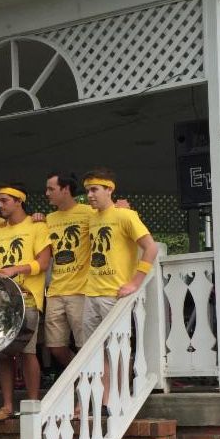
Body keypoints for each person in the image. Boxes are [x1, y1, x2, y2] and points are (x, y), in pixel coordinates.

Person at [82, 167, 158, 412]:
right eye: (87, 191)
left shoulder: (126, 216)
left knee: (117, 347)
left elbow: (150, 248)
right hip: (91, 292)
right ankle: (105, 399)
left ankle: (119, 396)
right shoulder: (92, 217)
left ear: (109, 189)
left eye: (94, 190)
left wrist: (135, 282)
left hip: (114, 293)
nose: (89, 195)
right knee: (95, 350)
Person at [0, 183, 51, 421]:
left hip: (28, 299)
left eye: (4, 200)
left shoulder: (37, 226)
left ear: (19, 201)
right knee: (3, 354)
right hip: (2, 301)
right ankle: (8, 406)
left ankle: (32, 404)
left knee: (28, 352)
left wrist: (15, 269)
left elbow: (43, 263)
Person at [42, 173, 91, 370]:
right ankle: (78, 375)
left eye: (51, 189)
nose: (47, 193)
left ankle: (90, 380)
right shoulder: (48, 219)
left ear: (66, 189)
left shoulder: (89, 212)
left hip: (81, 290)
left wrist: (122, 208)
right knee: (55, 346)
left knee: (85, 345)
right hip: (55, 291)